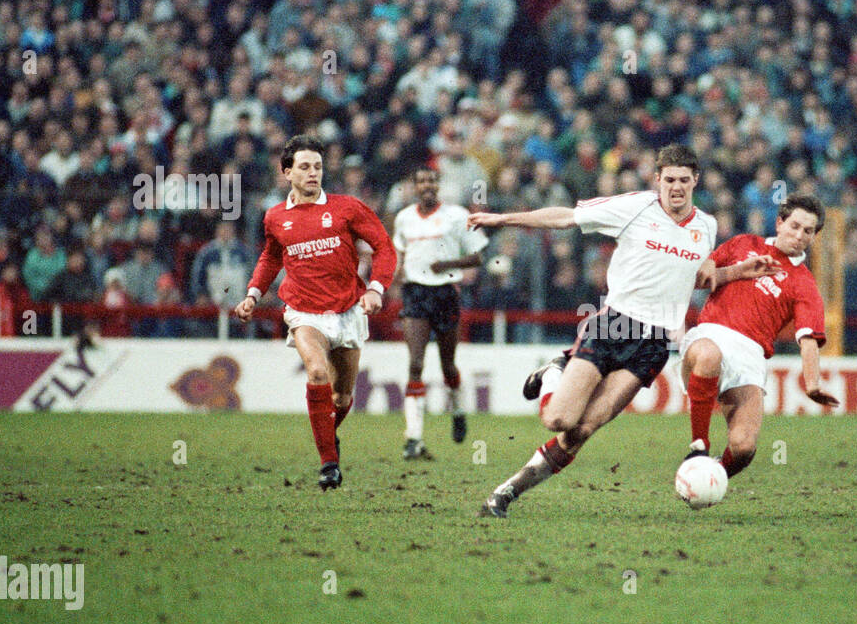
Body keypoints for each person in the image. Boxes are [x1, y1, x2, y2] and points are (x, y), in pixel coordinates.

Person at [466, 144, 778, 517]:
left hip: (653, 345)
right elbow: (567, 217)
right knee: (558, 419)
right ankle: (553, 371)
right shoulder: (635, 208)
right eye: (669, 180)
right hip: (613, 326)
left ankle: (504, 495)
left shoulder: (706, 226)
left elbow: (687, 279)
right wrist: (502, 220)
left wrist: (737, 273)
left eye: (683, 180)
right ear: (657, 180)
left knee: (581, 432)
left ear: (695, 181)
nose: (676, 188)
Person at [233, 135, 396, 490]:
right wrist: (253, 294)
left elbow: (384, 245)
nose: (313, 173)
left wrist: (376, 288)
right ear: (287, 172)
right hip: (304, 310)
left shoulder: (347, 207)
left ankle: (327, 439)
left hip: (348, 308)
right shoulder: (275, 216)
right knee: (317, 370)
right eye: (305, 167)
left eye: (318, 167)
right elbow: (272, 256)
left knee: (342, 397)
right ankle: (328, 464)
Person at [679, 194, 839, 479]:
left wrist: (812, 383)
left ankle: (709, 480)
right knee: (708, 355)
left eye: (808, 231)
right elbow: (697, 279)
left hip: (750, 358)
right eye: (795, 226)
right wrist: (737, 272)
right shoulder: (744, 244)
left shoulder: (805, 284)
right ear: (779, 223)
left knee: (743, 447)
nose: (799, 235)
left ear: (814, 236)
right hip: (710, 335)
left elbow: (808, 339)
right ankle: (698, 447)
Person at [390, 165, 487, 460]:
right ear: (415, 186)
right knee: (415, 363)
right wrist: (393, 282)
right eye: (421, 180)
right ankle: (413, 439)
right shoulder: (404, 218)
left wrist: (445, 265)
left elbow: (478, 257)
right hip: (416, 292)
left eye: (432, 180)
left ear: (438, 185)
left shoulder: (456, 215)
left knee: (448, 366)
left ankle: (457, 410)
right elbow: (400, 255)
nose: (427, 185)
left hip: (445, 292)